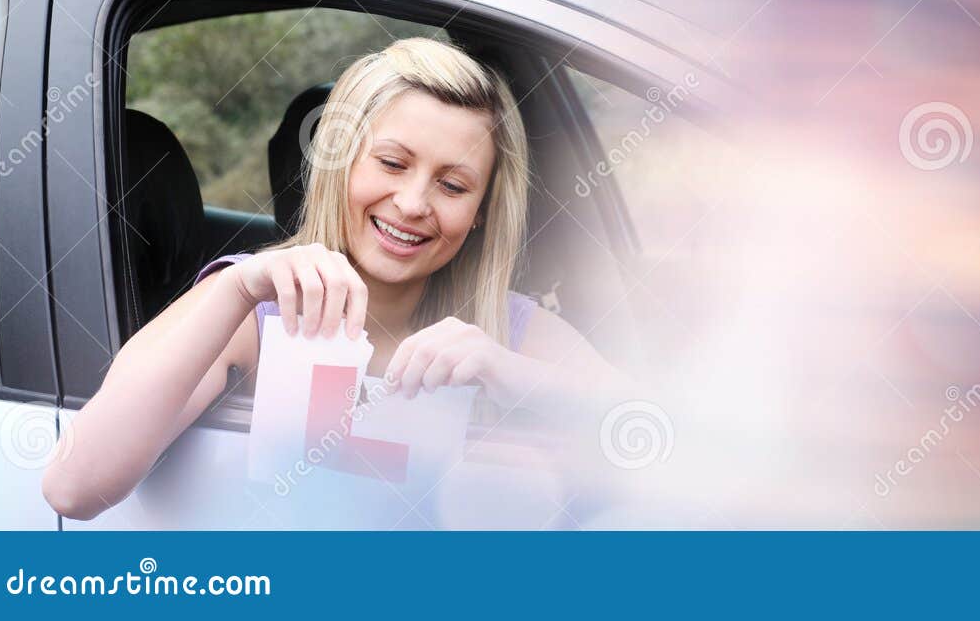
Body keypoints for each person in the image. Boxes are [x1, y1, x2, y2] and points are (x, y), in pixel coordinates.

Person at [43, 37, 628, 520]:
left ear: (480, 213)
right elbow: (74, 486)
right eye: (392, 164)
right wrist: (238, 287)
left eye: (453, 186)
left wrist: (512, 375)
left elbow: (661, 445)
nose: (413, 202)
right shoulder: (255, 311)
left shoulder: (510, 328)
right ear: (339, 162)